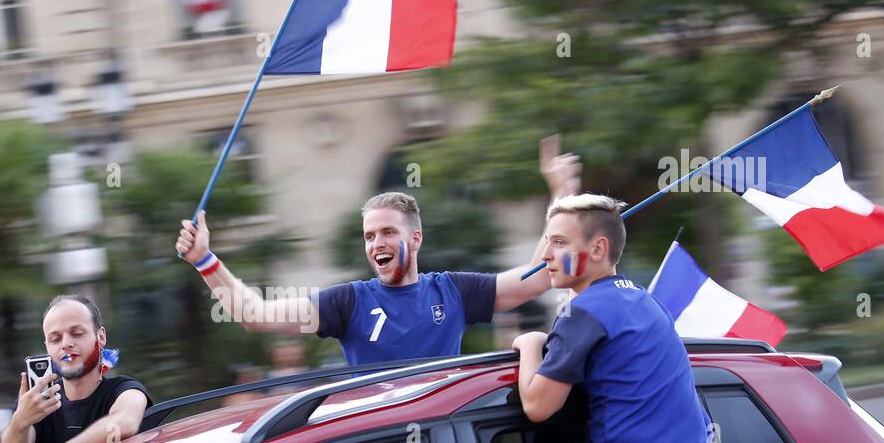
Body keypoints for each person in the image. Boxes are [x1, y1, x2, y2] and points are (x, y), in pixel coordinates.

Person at [175, 137, 582, 366]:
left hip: (443, 442)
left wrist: (561, 195)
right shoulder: (348, 302)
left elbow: (541, 275)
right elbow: (255, 316)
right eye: (369, 236)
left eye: (388, 232)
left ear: (416, 239)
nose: (376, 244)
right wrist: (205, 261)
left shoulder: (453, 291)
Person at [510, 193, 716, 443]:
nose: (546, 255)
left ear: (598, 249)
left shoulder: (581, 311)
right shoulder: (646, 300)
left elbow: (538, 407)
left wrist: (530, 343)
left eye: (560, 242)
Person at [2, 294, 152, 443]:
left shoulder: (123, 390)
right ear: (47, 347)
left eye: (77, 333)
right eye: (55, 339)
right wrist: (20, 423)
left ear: (101, 336)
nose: (66, 344)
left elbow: (125, 423)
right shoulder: (41, 401)